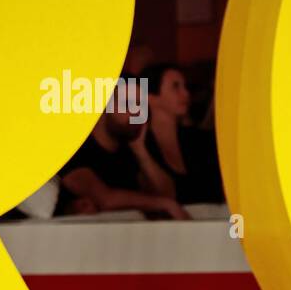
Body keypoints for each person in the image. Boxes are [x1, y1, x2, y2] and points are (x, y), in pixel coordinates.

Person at [56, 76, 190, 219]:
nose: (136, 112)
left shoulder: (130, 149)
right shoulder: (76, 149)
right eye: (127, 104)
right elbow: (106, 199)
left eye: (140, 106)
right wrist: (164, 204)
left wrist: (140, 151)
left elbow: (169, 195)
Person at [137, 62, 224, 205]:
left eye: (185, 86)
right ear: (151, 97)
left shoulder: (199, 140)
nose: (186, 93)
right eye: (175, 87)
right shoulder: (142, 143)